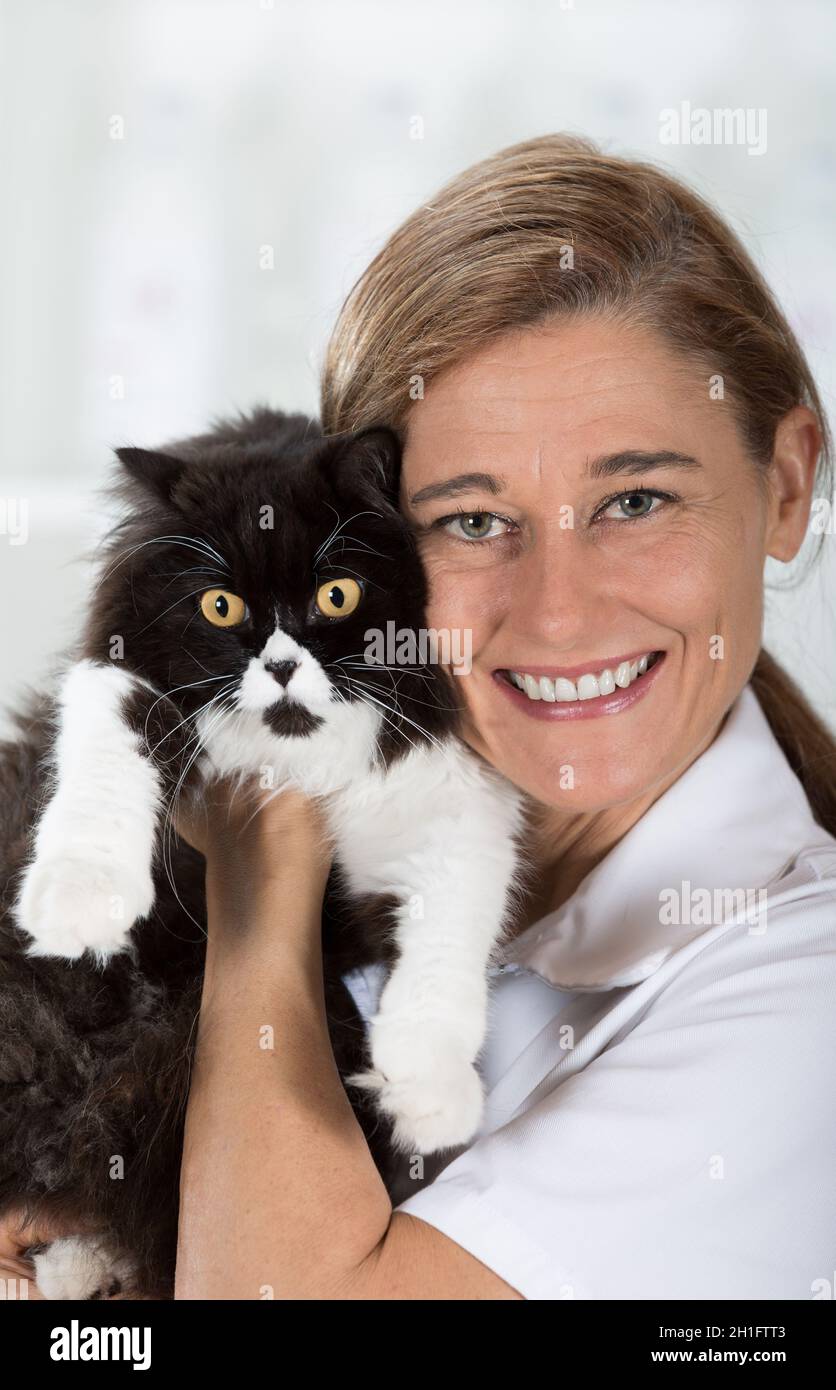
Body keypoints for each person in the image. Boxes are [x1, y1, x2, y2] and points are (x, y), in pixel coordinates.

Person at [5, 133, 836, 1300]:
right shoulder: (368, 842)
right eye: (473, 520)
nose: (557, 613)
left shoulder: (805, 992)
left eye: (635, 499)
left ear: (786, 487)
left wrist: (262, 878)